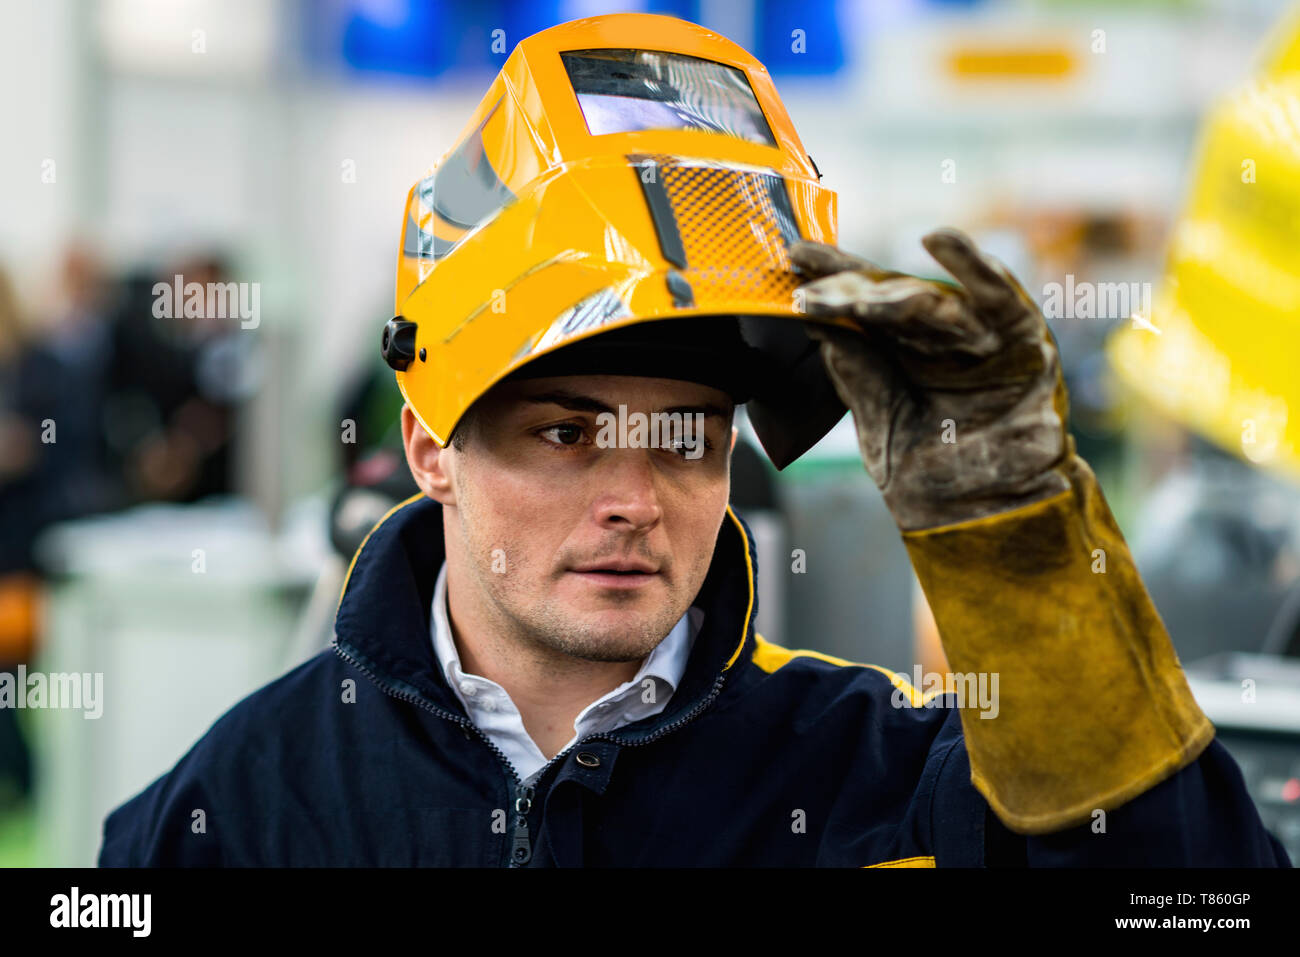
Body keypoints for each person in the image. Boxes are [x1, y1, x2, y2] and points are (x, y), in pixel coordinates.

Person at [99, 14, 1288, 867]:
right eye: (566, 433)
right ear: (429, 449)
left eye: (685, 439)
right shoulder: (243, 799)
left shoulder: (876, 776)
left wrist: (1025, 568)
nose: (634, 497)